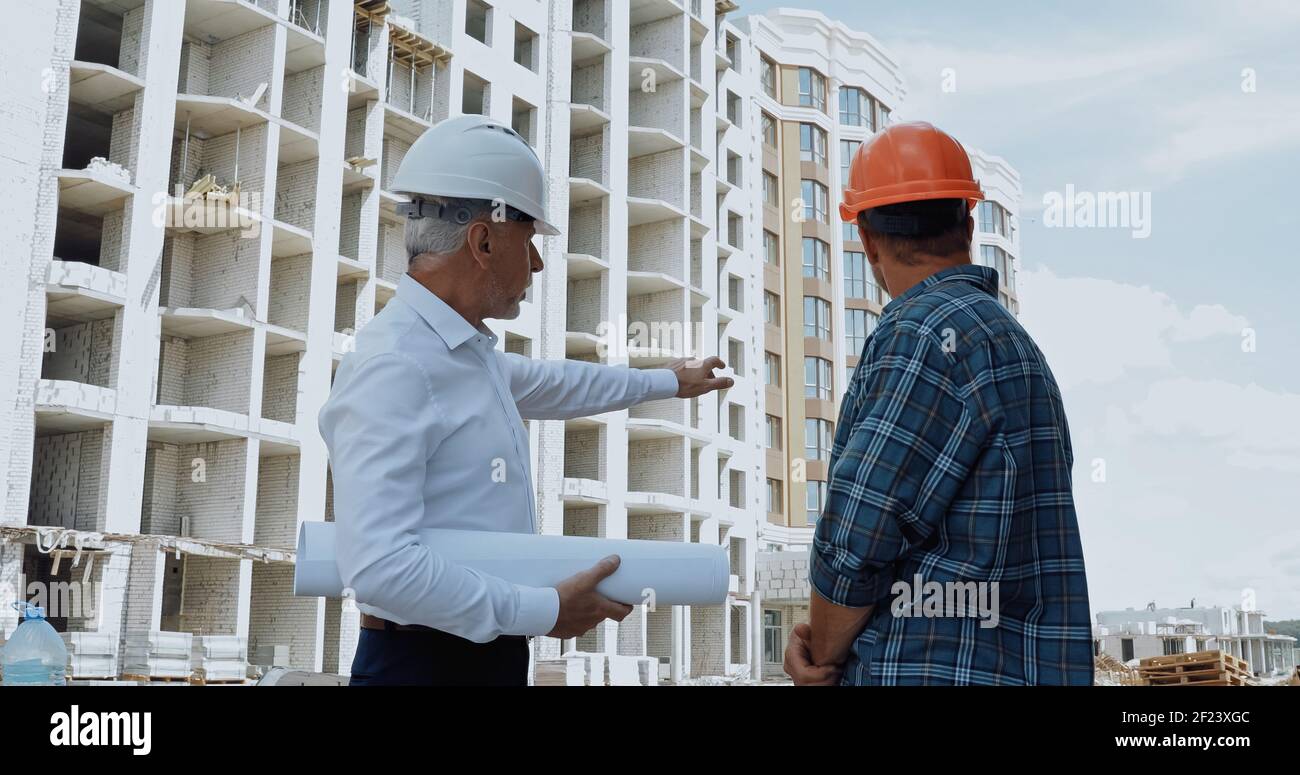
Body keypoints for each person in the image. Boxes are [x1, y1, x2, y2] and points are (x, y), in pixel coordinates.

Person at [319, 115, 732, 686]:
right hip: (424, 667)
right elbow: (381, 570)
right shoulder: (397, 365)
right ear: (484, 240)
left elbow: (557, 383)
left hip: (474, 656)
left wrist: (669, 381)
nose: (536, 263)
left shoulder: (460, 355)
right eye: (530, 240)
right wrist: (546, 611)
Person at [784, 122, 1092, 685]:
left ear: (868, 241)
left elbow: (857, 541)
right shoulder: (1016, 347)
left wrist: (822, 655)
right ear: (968, 224)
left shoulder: (920, 334)